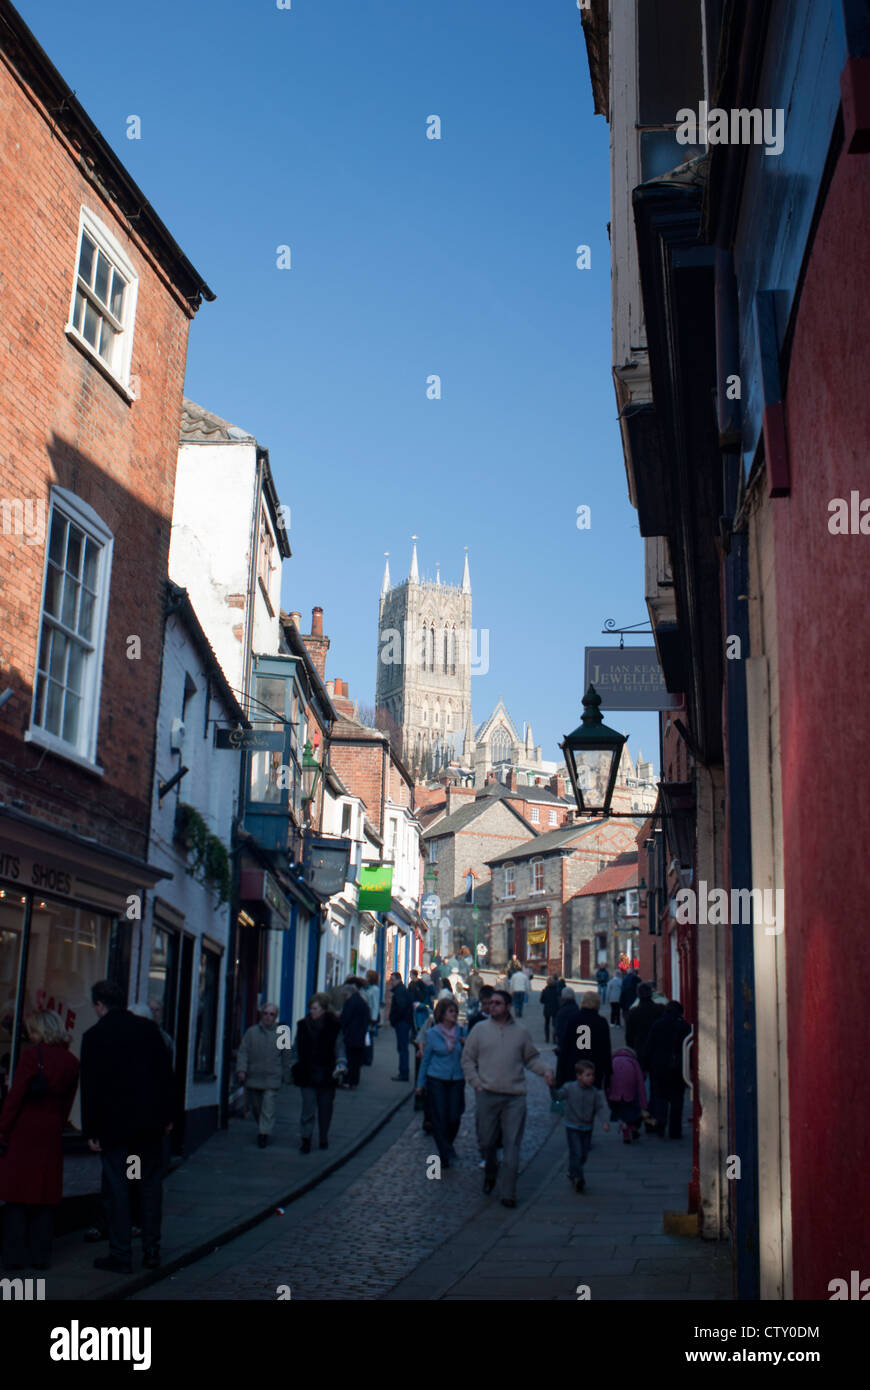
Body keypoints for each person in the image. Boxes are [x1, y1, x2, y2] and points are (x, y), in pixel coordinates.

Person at [80, 980, 174, 1273]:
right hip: (148, 1126)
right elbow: (165, 1077)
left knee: (118, 1188)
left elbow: (91, 1088)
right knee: (149, 1186)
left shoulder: (95, 1036)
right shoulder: (148, 1031)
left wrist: (91, 1130)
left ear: (99, 1005)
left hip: (114, 1127)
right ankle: (151, 1250)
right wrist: (168, 1116)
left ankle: (121, 1254)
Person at [0, 1009, 80, 1269]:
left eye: (32, 1030)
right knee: (43, 1198)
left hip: (24, 1130)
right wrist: (58, 1124)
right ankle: (40, 1257)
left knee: (16, 1197)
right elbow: (68, 1101)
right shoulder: (70, 1061)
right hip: (50, 1131)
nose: (29, 1035)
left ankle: (14, 1258)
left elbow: (16, 1097)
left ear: (40, 1031)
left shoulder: (31, 1055)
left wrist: (2, 1128)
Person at [461, 989, 553, 1208]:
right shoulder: (479, 1030)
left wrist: (546, 1071)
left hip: (514, 1097)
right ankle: (490, 1173)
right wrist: (476, 1083)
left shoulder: (521, 1032)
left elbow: (531, 1059)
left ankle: (508, 1192)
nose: (492, 1006)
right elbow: (467, 1059)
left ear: (508, 1006)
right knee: (487, 1141)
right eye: (490, 1003)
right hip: (487, 1094)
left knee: (512, 1144)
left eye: (497, 1003)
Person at [416, 998, 466, 1168]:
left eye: (456, 1012)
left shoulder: (461, 1032)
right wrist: (420, 1083)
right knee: (439, 1117)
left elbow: (469, 1055)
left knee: (454, 1117)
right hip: (436, 1078)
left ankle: (447, 1146)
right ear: (443, 1014)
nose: (455, 1015)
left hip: (456, 1079)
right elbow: (426, 1060)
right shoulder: (433, 1033)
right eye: (451, 1011)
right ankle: (445, 1153)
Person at [236, 1002, 292, 1147]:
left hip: (272, 1077)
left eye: (271, 1014)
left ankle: (263, 1134)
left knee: (268, 1106)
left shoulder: (282, 1033)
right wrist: (241, 1069)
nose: (268, 1017)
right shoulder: (251, 1032)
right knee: (256, 1107)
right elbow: (243, 1052)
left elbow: (286, 1056)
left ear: (276, 1016)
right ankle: (262, 1126)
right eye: (265, 1013)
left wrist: (287, 1075)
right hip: (254, 1076)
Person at [290, 994, 341, 1153]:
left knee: (325, 1109)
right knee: (308, 1108)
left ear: (323, 1010)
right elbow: (296, 1046)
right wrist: (293, 1064)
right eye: (311, 1008)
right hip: (307, 1072)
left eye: (315, 1008)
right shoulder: (302, 1025)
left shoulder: (334, 1025)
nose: (312, 1011)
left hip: (327, 1072)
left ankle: (323, 1136)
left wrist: (341, 1064)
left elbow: (339, 1047)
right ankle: (306, 1138)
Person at [550, 1059, 610, 1192]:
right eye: (588, 1075)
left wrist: (604, 1122)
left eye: (592, 1075)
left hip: (587, 1127)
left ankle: (573, 1172)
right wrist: (551, 1087)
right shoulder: (569, 1088)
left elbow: (600, 1108)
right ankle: (578, 1178)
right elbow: (557, 1097)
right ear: (579, 1076)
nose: (591, 1078)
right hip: (573, 1126)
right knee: (576, 1152)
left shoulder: (594, 1092)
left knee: (583, 1154)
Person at [642, 1000, 692, 1139]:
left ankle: (661, 1124)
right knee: (677, 1099)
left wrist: (645, 1066)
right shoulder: (684, 1026)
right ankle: (675, 1130)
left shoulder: (658, 1024)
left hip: (659, 1066)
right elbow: (691, 1049)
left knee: (660, 1097)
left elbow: (649, 1046)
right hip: (679, 1068)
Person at [607, 1045, 647, 1143]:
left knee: (621, 1113)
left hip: (615, 1093)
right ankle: (633, 1127)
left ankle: (625, 1133)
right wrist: (643, 1102)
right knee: (632, 1110)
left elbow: (607, 1082)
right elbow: (640, 1081)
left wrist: (608, 1097)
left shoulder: (612, 1062)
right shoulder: (633, 1062)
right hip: (630, 1091)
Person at [576, 990, 613, 1092]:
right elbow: (606, 1048)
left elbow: (567, 1046)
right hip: (596, 1066)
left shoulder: (574, 1020)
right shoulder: (601, 1022)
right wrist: (608, 1072)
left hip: (577, 1066)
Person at [339, 979, 370, 1089]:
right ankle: (354, 1082)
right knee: (356, 1061)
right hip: (360, 1035)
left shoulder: (350, 1002)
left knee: (350, 1059)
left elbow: (345, 1018)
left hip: (351, 1035)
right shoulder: (362, 1001)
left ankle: (347, 1081)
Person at [625, 982, 664, 1057]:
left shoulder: (633, 1012)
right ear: (651, 994)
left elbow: (629, 1035)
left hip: (640, 1047)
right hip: (657, 1048)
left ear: (638, 995)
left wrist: (631, 1047)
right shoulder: (660, 1009)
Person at [554, 986, 582, 1086]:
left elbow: (560, 1032)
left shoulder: (561, 1012)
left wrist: (559, 1045)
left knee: (563, 1078)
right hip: (577, 1050)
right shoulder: (578, 1011)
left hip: (565, 1050)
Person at [388, 971, 413, 1082]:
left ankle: (404, 1073)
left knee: (403, 1048)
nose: (391, 983)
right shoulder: (401, 990)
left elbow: (401, 1008)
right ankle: (403, 1072)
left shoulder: (400, 991)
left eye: (392, 980)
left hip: (402, 1023)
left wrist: (394, 1019)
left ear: (398, 980)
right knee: (402, 1048)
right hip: (404, 1022)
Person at [540, 975, 562, 1043]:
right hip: (555, 1008)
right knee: (554, 1024)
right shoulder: (557, 990)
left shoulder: (545, 990)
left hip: (547, 1009)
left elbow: (541, 1001)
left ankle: (547, 1038)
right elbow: (559, 999)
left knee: (547, 1023)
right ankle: (554, 1038)